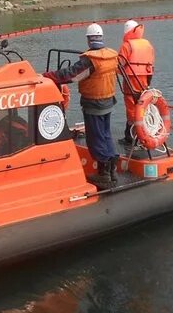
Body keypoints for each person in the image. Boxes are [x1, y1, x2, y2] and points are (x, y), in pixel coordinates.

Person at [43, 23, 118, 189]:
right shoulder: (112, 56)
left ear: (89, 39)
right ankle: (112, 169)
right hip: (108, 101)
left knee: (96, 137)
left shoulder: (90, 60)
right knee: (106, 135)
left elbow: (71, 75)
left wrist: (47, 76)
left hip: (93, 103)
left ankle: (103, 173)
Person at [118, 19, 155, 147]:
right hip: (145, 80)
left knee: (131, 108)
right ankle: (143, 133)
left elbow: (120, 65)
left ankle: (132, 137)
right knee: (142, 106)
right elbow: (151, 65)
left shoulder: (127, 45)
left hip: (130, 81)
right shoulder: (147, 44)